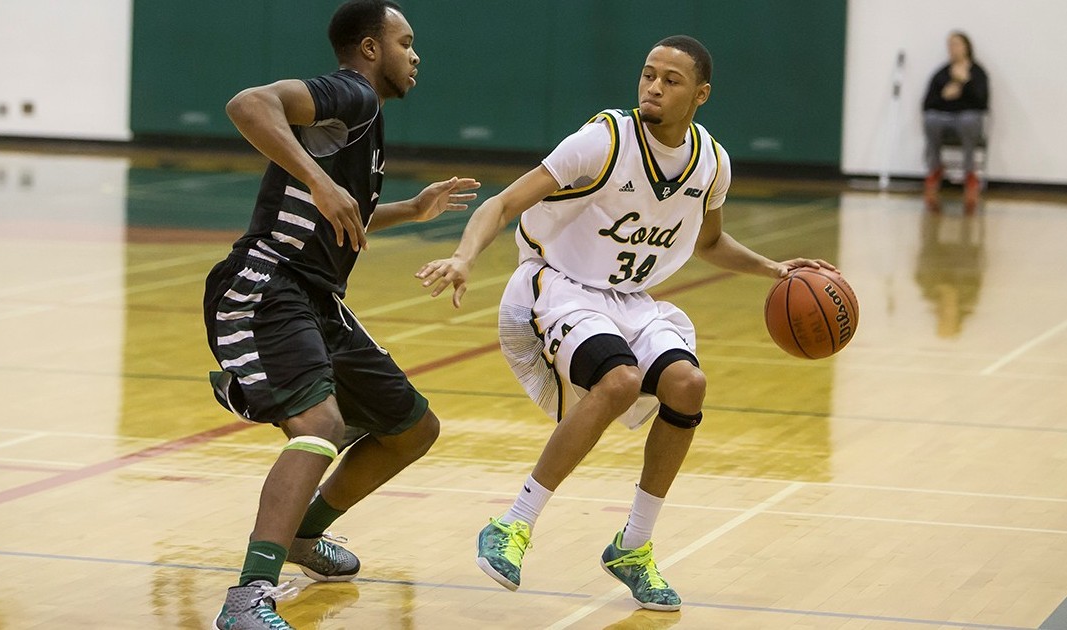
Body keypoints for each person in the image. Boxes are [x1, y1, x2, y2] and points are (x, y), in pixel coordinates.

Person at [416, 35, 834, 612]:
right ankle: (513, 523)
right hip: (556, 284)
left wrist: (772, 268)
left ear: (701, 94)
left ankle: (632, 546)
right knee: (618, 381)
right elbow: (503, 204)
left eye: (671, 80)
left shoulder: (711, 163)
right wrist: (464, 256)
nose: (654, 88)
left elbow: (709, 241)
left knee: (688, 385)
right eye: (648, 75)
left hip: (628, 298)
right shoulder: (604, 140)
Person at [203, 2, 479, 628]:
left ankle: (301, 535)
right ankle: (247, 598)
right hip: (268, 283)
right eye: (406, 42)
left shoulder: (365, 119)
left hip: (317, 299)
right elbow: (248, 104)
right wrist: (318, 182)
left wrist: (409, 210)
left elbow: (342, 211)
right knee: (321, 425)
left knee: (412, 429)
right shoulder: (351, 93)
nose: (416, 55)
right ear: (370, 48)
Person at [922, 31, 989, 211]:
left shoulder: (977, 72)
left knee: (969, 121)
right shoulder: (942, 73)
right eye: (950, 44)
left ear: (966, 47)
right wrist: (944, 96)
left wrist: (965, 83)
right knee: (931, 119)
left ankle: (969, 172)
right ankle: (935, 168)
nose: (953, 48)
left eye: (957, 44)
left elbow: (982, 102)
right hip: (945, 117)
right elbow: (927, 103)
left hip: (968, 117)